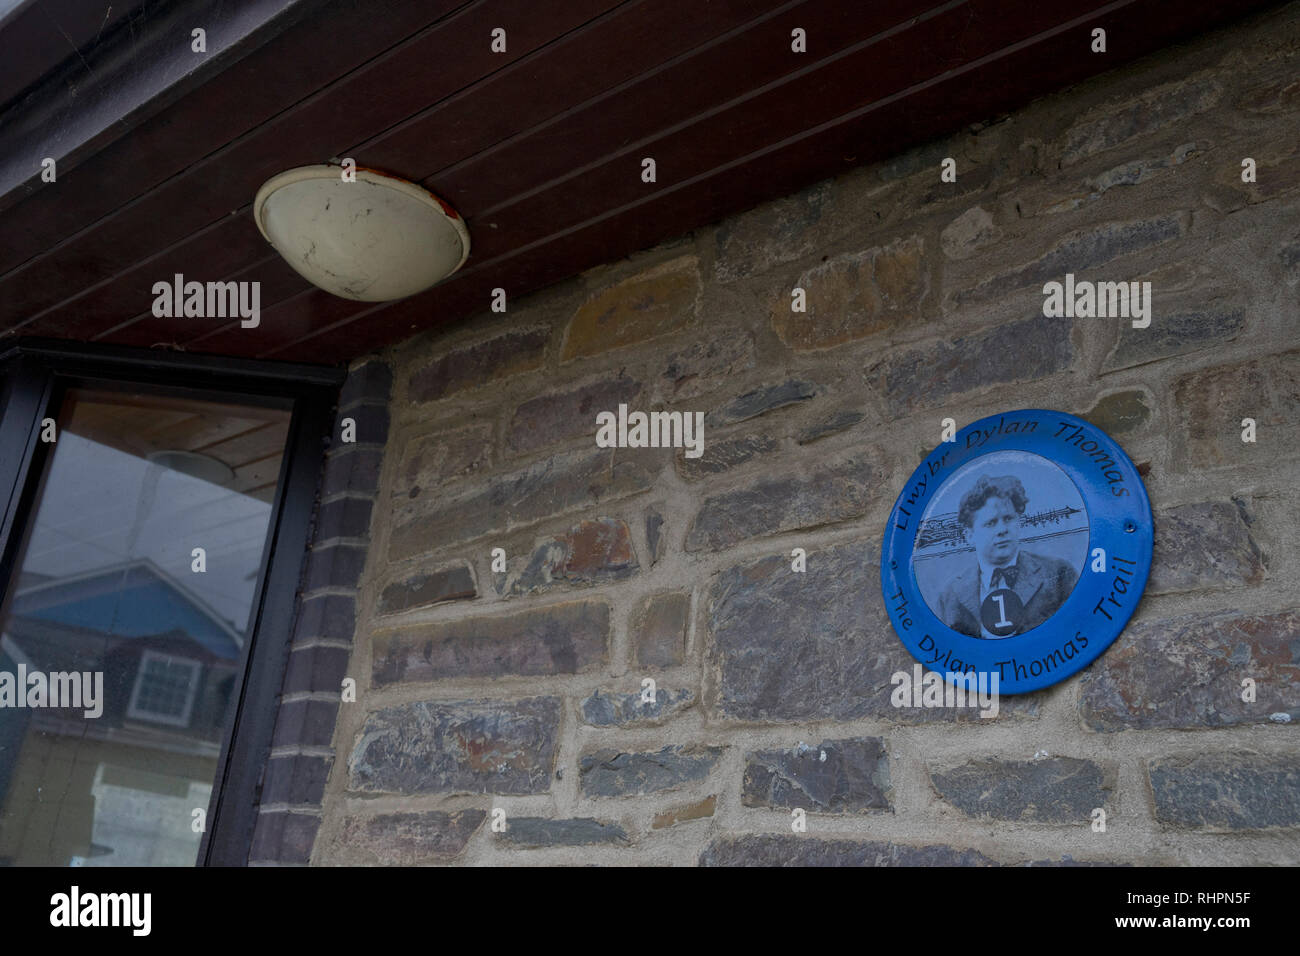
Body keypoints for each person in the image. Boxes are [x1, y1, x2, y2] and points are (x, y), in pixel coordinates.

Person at [937, 474, 1077, 639]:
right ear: (969, 535)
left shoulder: (1058, 574)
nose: (1002, 529)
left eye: (1008, 518)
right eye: (991, 523)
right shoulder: (950, 596)